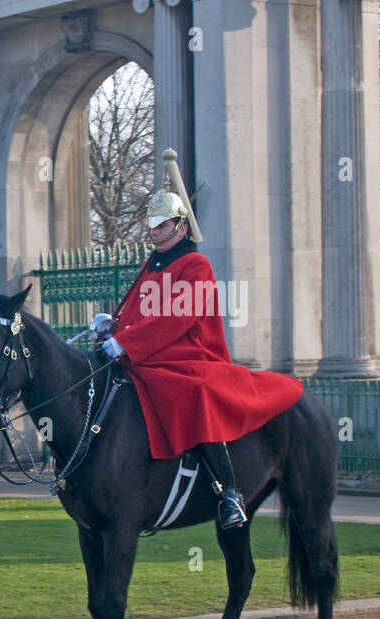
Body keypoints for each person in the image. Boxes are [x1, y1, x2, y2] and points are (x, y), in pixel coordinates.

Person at [97, 150, 302, 530]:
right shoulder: (151, 263)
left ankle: (228, 493)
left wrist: (129, 343)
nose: (154, 232)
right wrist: (115, 325)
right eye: (152, 226)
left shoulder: (196, 265)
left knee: (194, 391)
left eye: (161, 226)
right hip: (150, 354)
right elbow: (142, 313)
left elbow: (178, 318)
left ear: (181, 226)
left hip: (191, 353)